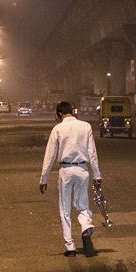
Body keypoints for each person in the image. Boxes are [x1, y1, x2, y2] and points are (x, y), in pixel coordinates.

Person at [39, 101, 102, 257]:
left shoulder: (58, 129)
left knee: (65, 209)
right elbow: (92, 153)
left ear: (60, 114)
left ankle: (70, 247)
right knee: (83, 205)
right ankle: (86, 228)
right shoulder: (86, 126)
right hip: (82, 170)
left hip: (65, 171)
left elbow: (50, 155)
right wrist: (97, 175)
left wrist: (44, 178)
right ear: (72, 111)